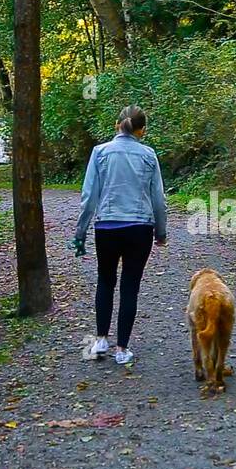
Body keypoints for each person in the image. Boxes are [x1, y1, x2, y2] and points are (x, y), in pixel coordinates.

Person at [72, 105, 167, 365]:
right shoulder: (148, 155)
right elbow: (158, 198)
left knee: (105, 281)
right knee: (130, 287)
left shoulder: (100, 152)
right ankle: (122, 349)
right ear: (142, 130)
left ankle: (101, 340)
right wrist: (161, 231)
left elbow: (89, 197)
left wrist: (80, 233)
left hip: (107, 228)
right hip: (139, 229)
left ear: (117, 126)